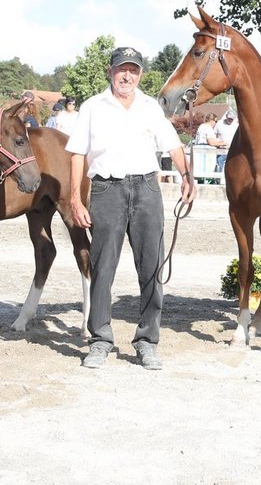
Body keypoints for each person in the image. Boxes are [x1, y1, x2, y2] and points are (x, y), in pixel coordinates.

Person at [65, 45, 195, 370]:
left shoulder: (150, 107)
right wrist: (75, 199)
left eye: (133, 70)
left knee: (151, 267)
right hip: (106, 190)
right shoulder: (92, 107)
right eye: (122, 69)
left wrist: (186, 176)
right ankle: (100, 340)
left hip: (146, 188)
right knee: (102, 267)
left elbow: (173, 144)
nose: (127, 76)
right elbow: (77, 154)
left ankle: (147, 341)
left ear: (140, 74)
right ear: (110, 72)